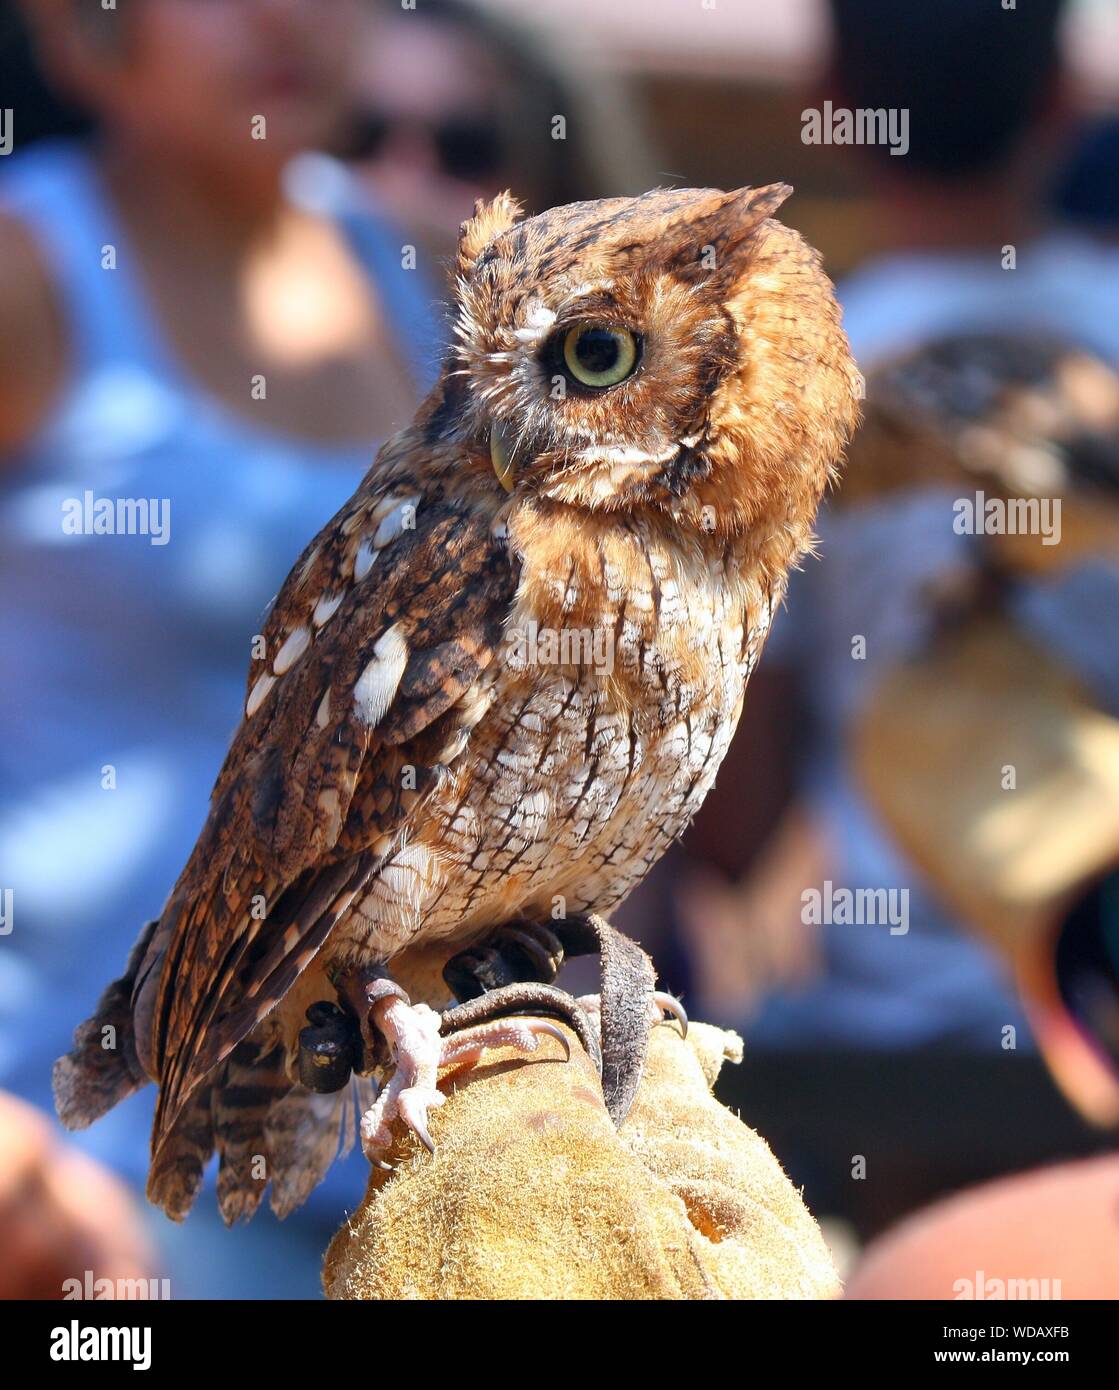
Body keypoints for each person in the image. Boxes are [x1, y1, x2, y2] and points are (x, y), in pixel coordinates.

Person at [0, 0, 444, 1297]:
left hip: (409, 1183)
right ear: (83, 29)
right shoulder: (28, 269)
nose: (287, 14)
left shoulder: (438, 280)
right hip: (86, 1190)